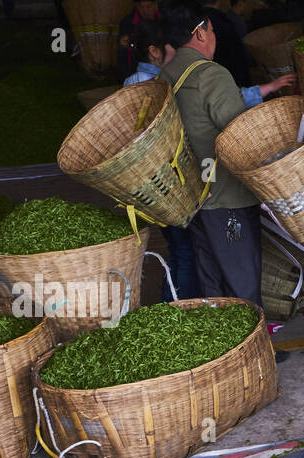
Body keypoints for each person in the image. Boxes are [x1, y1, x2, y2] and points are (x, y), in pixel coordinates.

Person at [160, 5, 266, 326]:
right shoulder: (211, 75)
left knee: (211, 279)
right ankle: (252, 346)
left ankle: (223, 349)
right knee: (242, 277)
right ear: (201, 32)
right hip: (226, 195)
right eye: (213, 31)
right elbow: (239, 135)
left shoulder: (165, 75)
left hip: (192, 195)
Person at [123, 22, 200, 304]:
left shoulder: (142, 80)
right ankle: (178, 307)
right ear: (154, 51)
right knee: (184, 248)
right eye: (171, 49)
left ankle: (172, 303)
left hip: (156, 183)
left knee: (179, 246)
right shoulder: (146, 84)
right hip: (162, 182)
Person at [202, 0, 250, 86]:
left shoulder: (195, 21)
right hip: (231, 72)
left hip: (211, 75)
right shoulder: (223, 20)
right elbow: (236, 50)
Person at [118, 0, 160, 77]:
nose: (145, 11)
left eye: (148, 6)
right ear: (136, 6)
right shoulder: (127, 23)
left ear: (155, 5)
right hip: (135, 69)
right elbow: (123, 49)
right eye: (141, 7)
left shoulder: (164, 20)